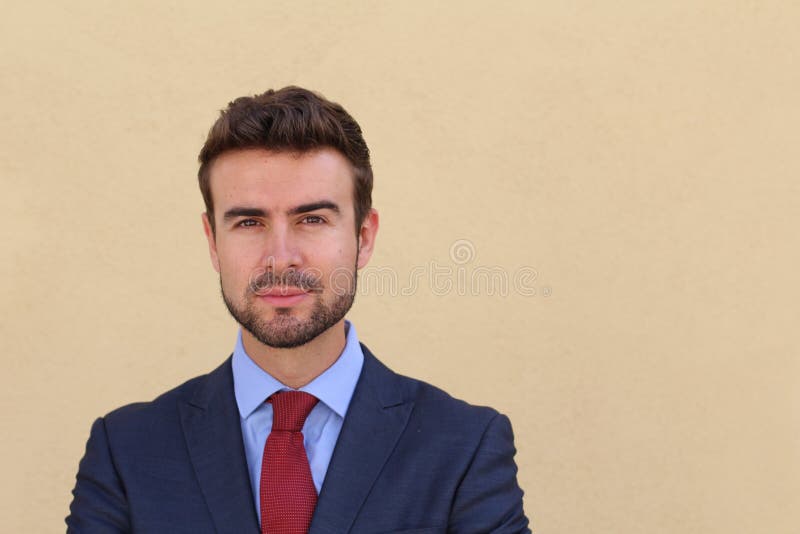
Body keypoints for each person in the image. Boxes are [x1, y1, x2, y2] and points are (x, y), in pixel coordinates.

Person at [66, 86, 531, 533]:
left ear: (364, 237)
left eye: (312, 219)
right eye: (249, 222)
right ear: (212, 241)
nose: (280, 257)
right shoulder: (126, 451)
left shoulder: (464, 447)